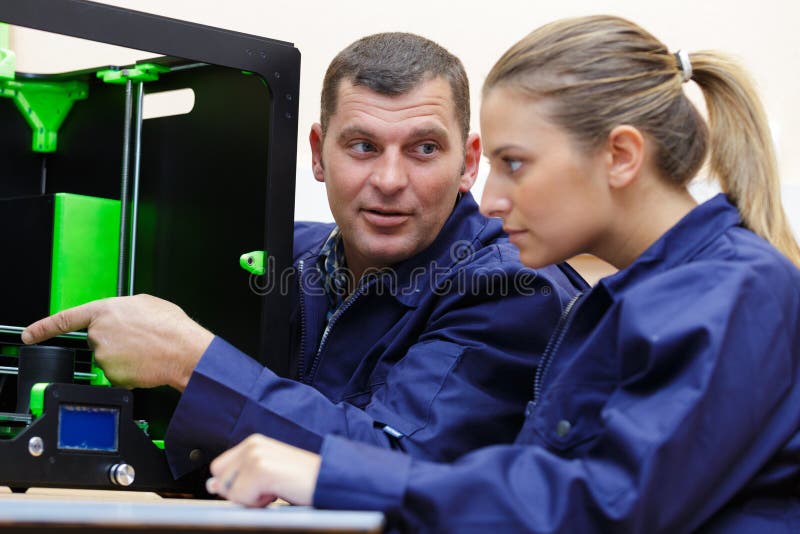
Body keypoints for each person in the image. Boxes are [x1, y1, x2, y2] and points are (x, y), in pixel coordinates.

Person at [201, 15, 800, 532]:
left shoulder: (735, 295)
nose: (488, 200)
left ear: (620, 157)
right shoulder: (633, 296)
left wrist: (329, 472)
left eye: (514, 164)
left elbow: (599, 509)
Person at [21, 33, 585, 478]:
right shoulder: (282, 256)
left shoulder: (510, 288)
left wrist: (191, 362)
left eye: (424, 149)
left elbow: (400, 465)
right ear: (318, 153)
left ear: (468, 163)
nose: (390, 180)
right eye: (362, 146)